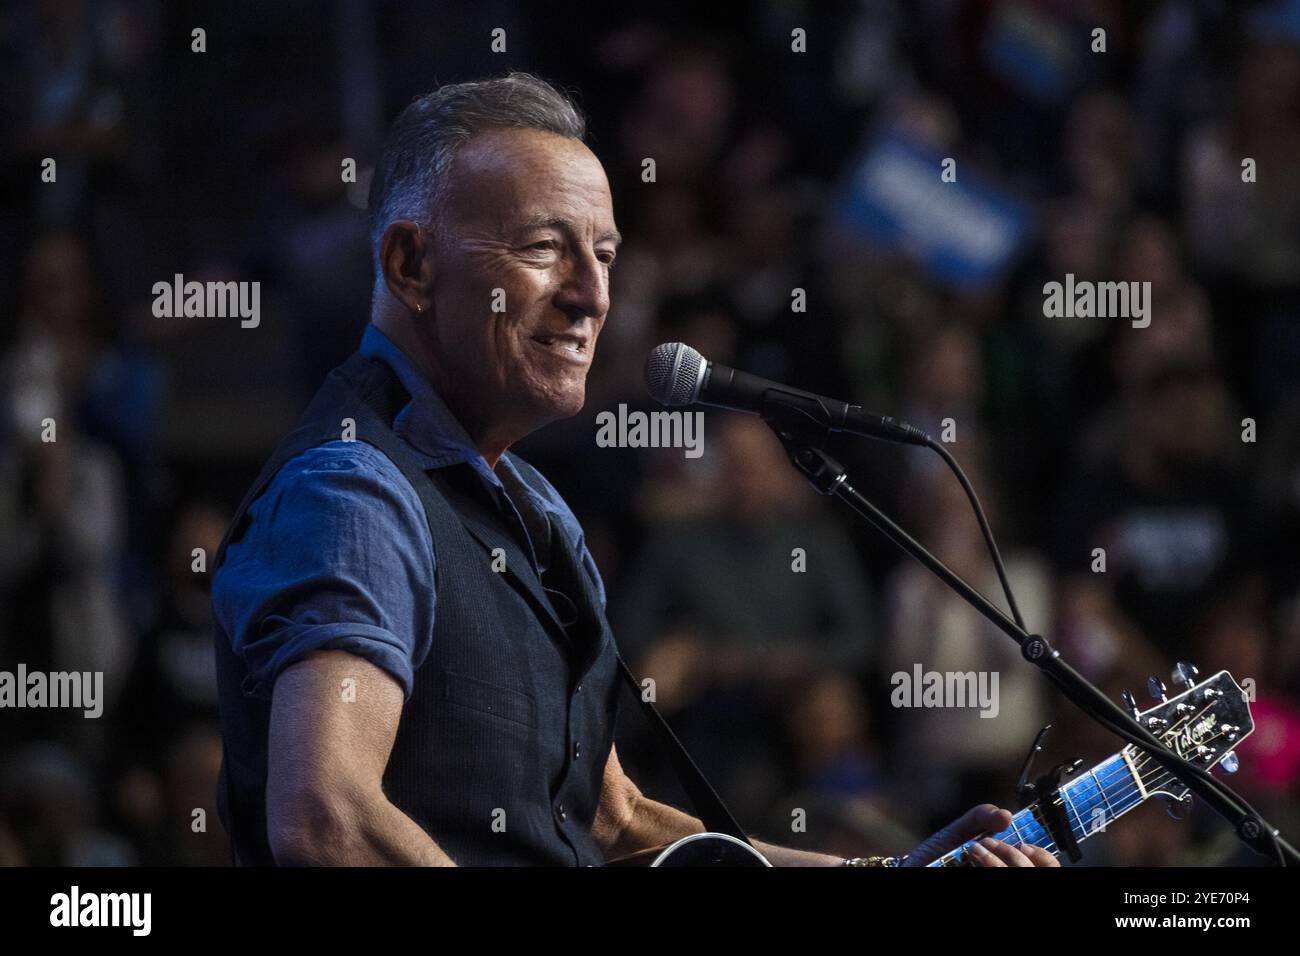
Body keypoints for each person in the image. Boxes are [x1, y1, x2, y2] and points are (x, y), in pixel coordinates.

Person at [212, 73, 1057, 868]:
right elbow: (328, 818)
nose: (592, 295)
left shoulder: (537, 510)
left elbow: (613, 819)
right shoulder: (353, 492)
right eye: (545, 247)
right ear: (410, 266)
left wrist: (890, 869)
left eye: (606, 255)